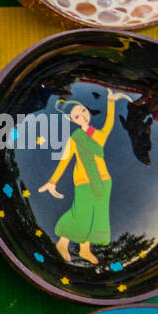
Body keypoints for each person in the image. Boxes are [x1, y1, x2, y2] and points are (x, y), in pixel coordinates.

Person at [38, 92, 130, 264]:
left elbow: (110, 121)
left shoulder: (99, 135)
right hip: (83, 181)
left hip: (103, 180)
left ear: (87, 111)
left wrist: (110, 101)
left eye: (82, 111)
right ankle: (62, 243)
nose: (82, 117)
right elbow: (64, 160)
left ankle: (84, 250)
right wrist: (52, 182)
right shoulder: (75, 138)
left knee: (97, 214)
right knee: (81, 213)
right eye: (76, 116)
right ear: (74, 121)